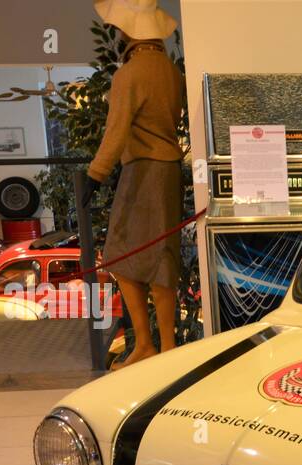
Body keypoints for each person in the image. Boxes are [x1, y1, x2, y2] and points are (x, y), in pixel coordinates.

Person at [84, 0, 185, 367]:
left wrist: (94, 176)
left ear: (127, 31)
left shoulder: (129, 74)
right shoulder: (172, 73)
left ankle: (144, 343)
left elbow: (116, 133)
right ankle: (168, 344)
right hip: (170, 171)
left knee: (119, 254)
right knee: (163, 255)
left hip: (142, 171)